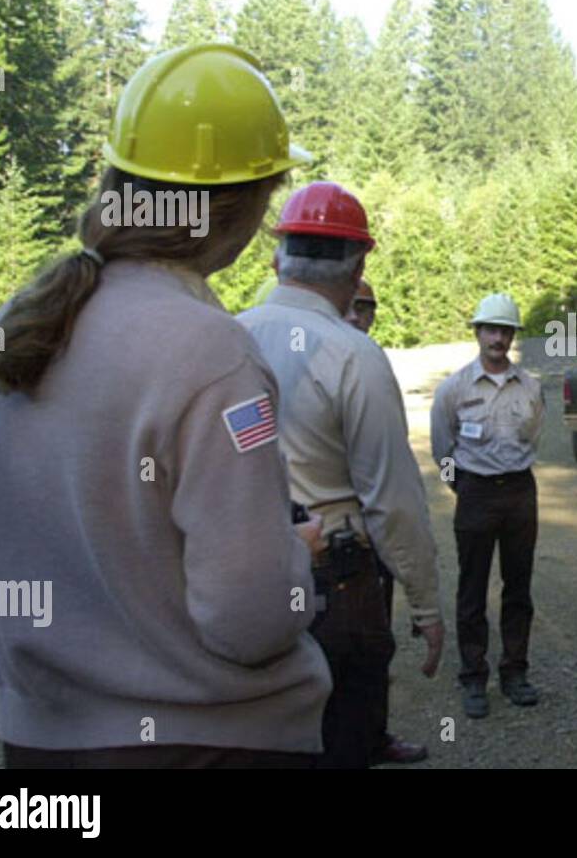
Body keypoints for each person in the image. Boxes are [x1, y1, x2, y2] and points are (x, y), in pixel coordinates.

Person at [0, 44, 332, 767]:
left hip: (39, 753)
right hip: (211, 748)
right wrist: (294, 553)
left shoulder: (7, 335)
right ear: (245, 206)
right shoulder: (210, 353)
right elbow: (250, 621)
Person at [238, 181, 444, 768]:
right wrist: (426, 607)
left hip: (244, 584)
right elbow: (394, 503)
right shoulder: (353, 354)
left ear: (277, 260)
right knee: (345, 740)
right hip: (336, 586)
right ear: (358, 272)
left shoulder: (227, 337)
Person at [430, 293, 545, 719]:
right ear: (478, 332)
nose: (498, 338)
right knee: (472, 588)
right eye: (491, 329)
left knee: (519, 587)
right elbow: (442, 450)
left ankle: (515, 672)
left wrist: (509, 480)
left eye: (505, 330)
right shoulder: (453, 388)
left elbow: (533, 437)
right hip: (474, 493)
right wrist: (462, 488)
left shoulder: (531, 387)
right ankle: (473, 677)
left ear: (513, 336)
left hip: (519, 493)